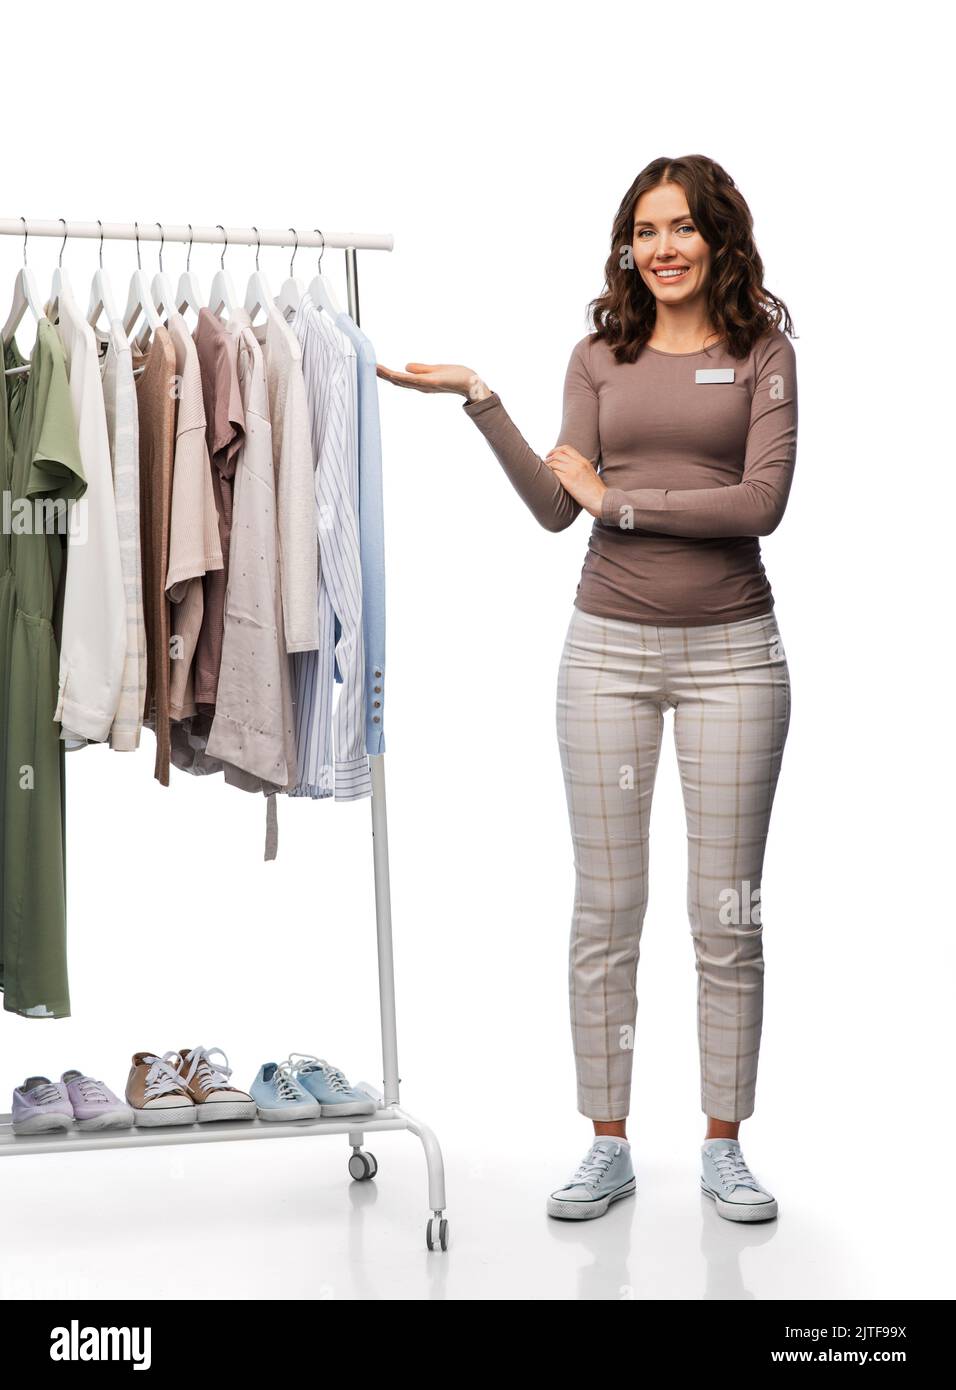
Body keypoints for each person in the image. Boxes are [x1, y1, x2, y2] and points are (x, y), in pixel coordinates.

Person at [377, 154, 797, 1224]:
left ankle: (722, 1144)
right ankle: (605, 1140)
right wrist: (484, 402)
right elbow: (554, 507)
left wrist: (617, 500)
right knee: (605, 911)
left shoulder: (763, 353)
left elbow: (757, 505)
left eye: (681, 229)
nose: (660, 249)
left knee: (725, 916)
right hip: (604, 653)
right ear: (628, 247)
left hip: (733, 658)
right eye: (643, 231)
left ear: (717, 240)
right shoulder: (596, 357)